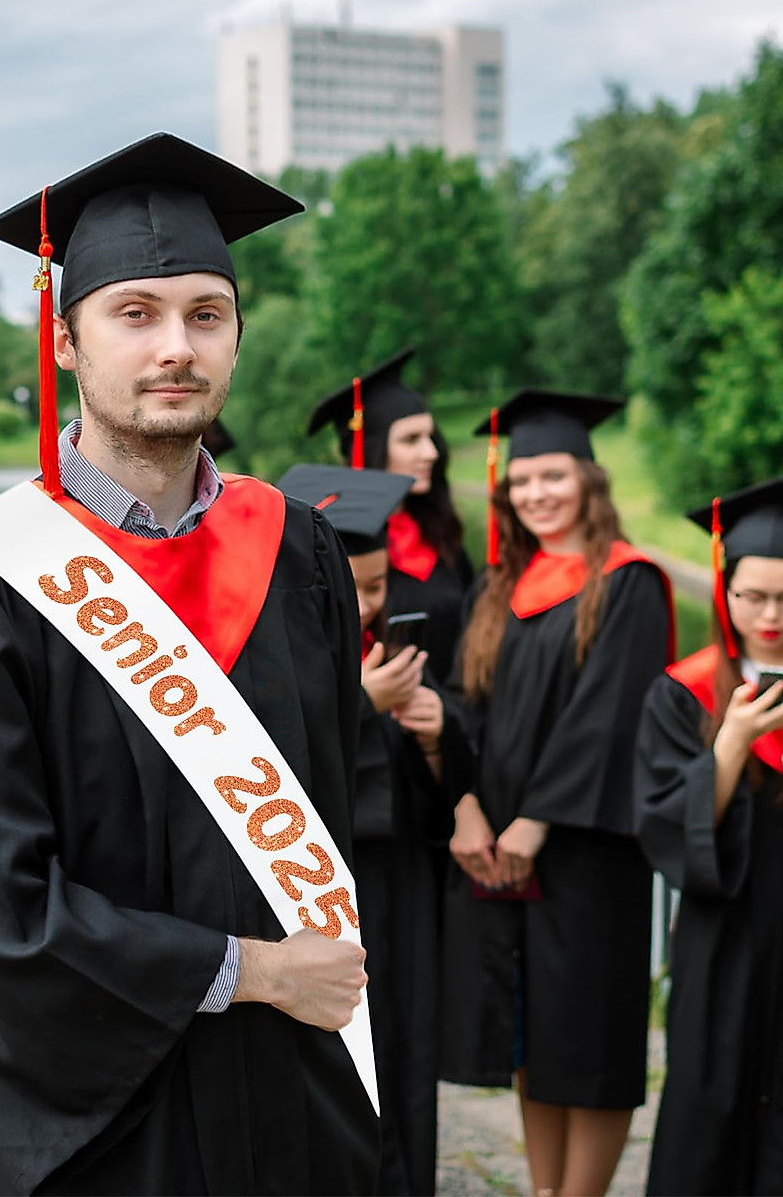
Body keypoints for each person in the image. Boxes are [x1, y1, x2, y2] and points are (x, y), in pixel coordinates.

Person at [0, 133, 382, 1195]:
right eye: (136, 314)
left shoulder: (298, 553)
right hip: (100, 1128)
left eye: (207, 315)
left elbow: (338, 810)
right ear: (64, 340)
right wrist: (251, 971)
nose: (177, 348)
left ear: (239, 336)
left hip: (291, 1102)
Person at [440, 391, 674, 1197]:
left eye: (554, 477)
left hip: (586, 852)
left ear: (589, 480)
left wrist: (535, 822)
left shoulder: (629, 583)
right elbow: (462, 713)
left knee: (594, 1037)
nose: (537, 494)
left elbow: (607, 716)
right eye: (524, 481)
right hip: (500, 852)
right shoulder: (501, 587)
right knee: (532, 1031)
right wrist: (466, 809)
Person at [279, 463, 473, 1195]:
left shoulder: (395, 651)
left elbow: (435, 795)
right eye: (351, 588)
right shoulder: (271, 655)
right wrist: (359, 704)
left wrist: (432, 738)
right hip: (318, 893)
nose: (366, 607)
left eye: (381, 587)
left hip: (400, 888)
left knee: (404, 1057)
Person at [635, 478, 783, 1194]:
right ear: (724, 587)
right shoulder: (684, 690)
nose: (769, 617)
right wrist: (731, 747)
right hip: (721, 936)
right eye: (752, 596)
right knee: (710, 1096)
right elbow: (661, 822)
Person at [308, 348, 473, 683]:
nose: (431, 453)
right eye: (411, 440)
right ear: (370, 447)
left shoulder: (441, 537)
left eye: (431, 437)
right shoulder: (328, 546)